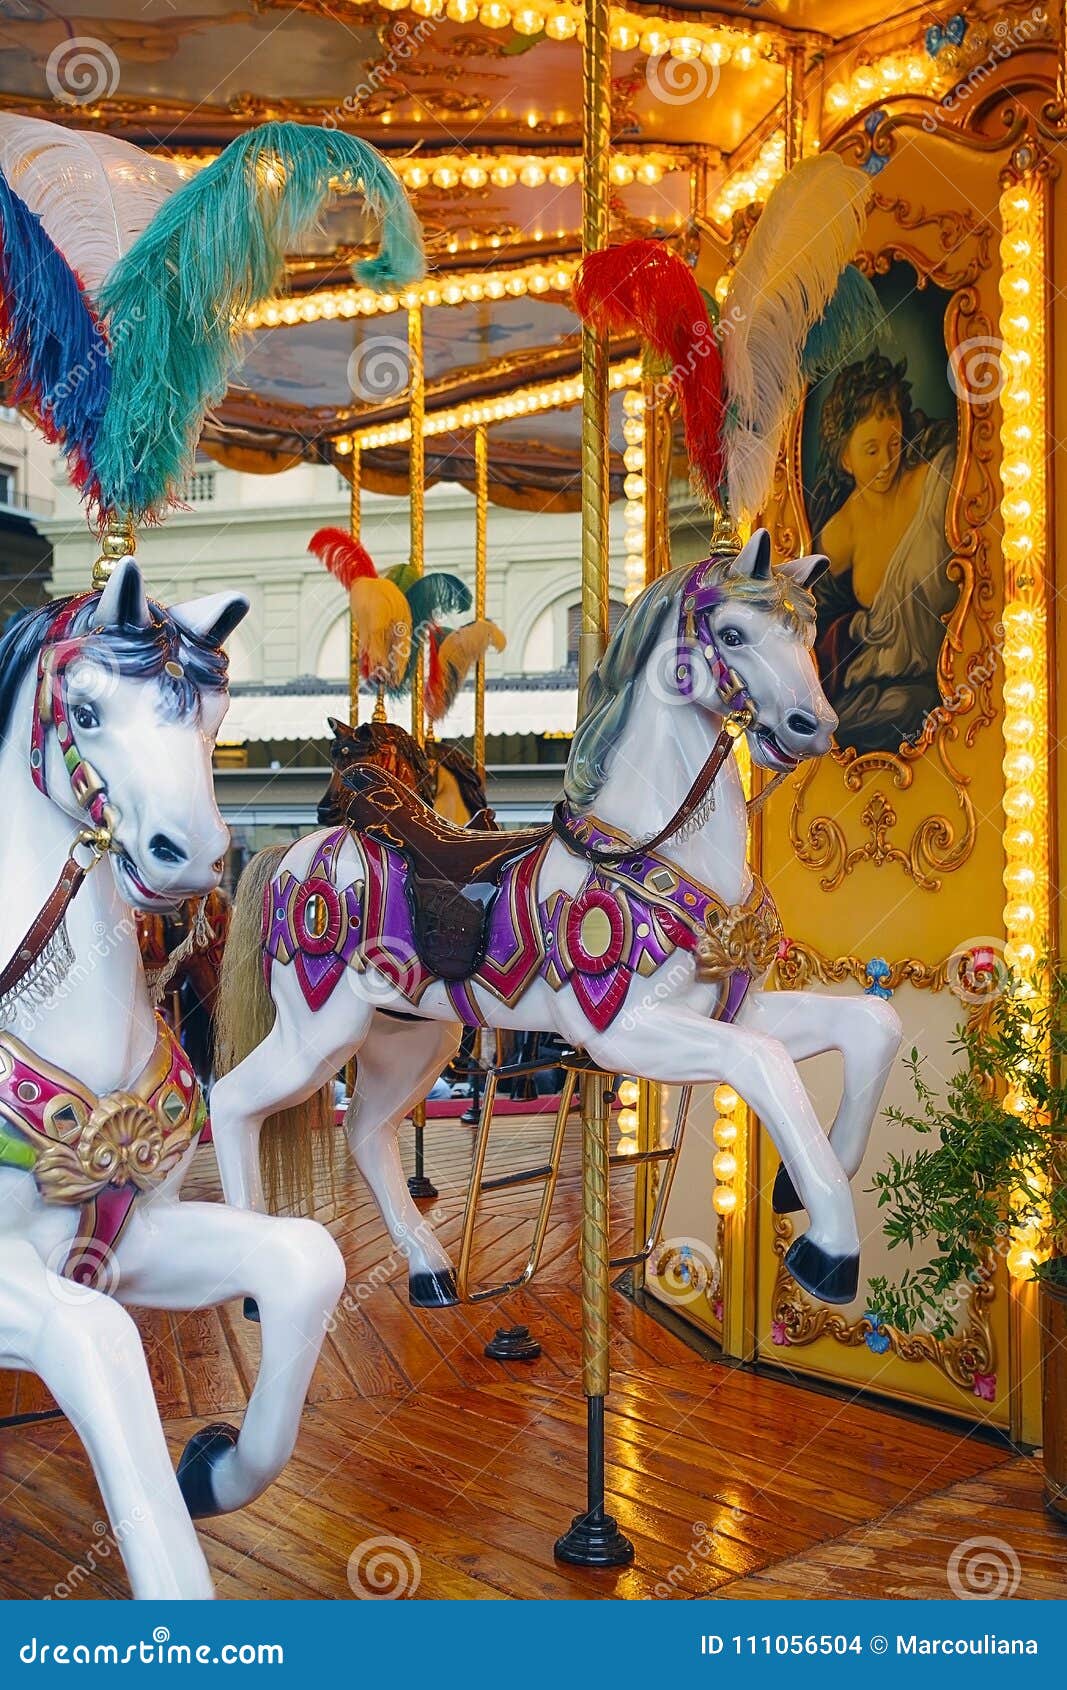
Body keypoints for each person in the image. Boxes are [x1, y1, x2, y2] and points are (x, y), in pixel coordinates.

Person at [808, 353, 957, 753]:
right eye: (871, 450)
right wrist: (857, 628)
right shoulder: (838, 534)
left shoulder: (934, 481)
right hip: (881, 687)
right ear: (844, 456)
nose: (887, 462)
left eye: (895, 443)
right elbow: (807, 620)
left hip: (952, 676)